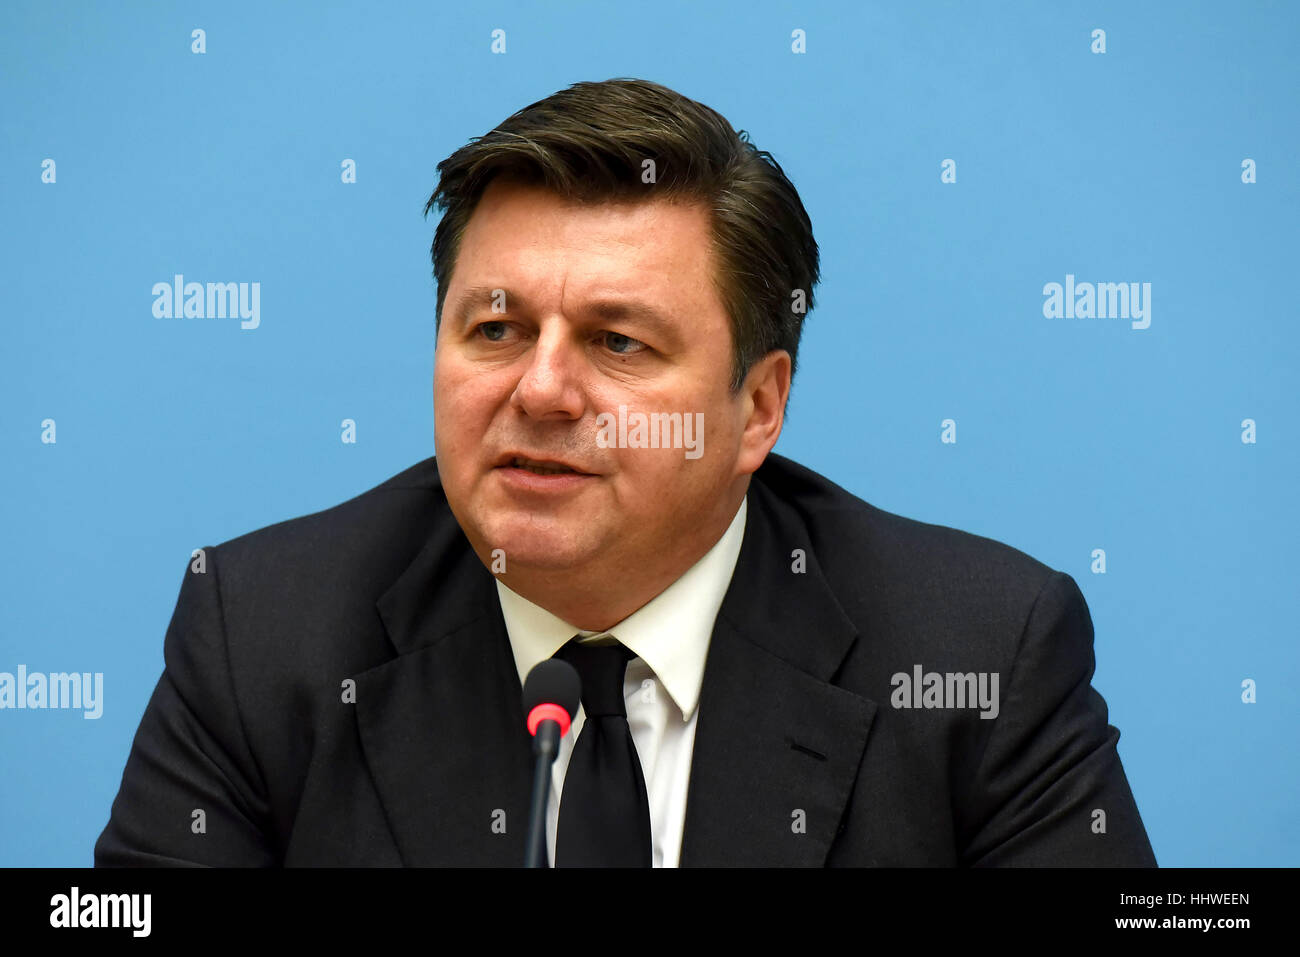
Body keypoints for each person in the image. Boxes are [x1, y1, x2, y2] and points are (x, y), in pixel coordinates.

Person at [95, 77, 1156, 867]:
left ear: (757, 408)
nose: (542, 391)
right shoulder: (265, 636)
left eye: (617, 343)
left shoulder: (976, 657)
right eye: (496, 328)